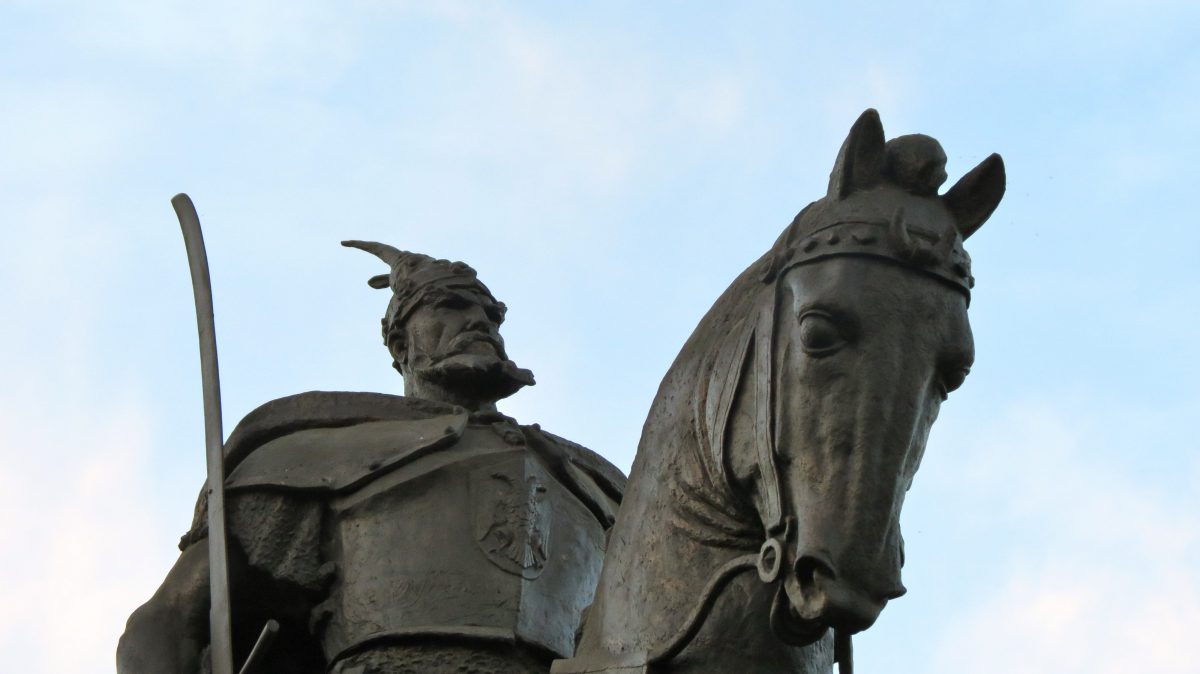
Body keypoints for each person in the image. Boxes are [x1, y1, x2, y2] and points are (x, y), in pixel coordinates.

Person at [117, 242, 624, 674]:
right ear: (400, 342)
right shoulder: (314, 458)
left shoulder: (597, 488)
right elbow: (165, 623)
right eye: (449, 306)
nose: (478, 321)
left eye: (491, 315)